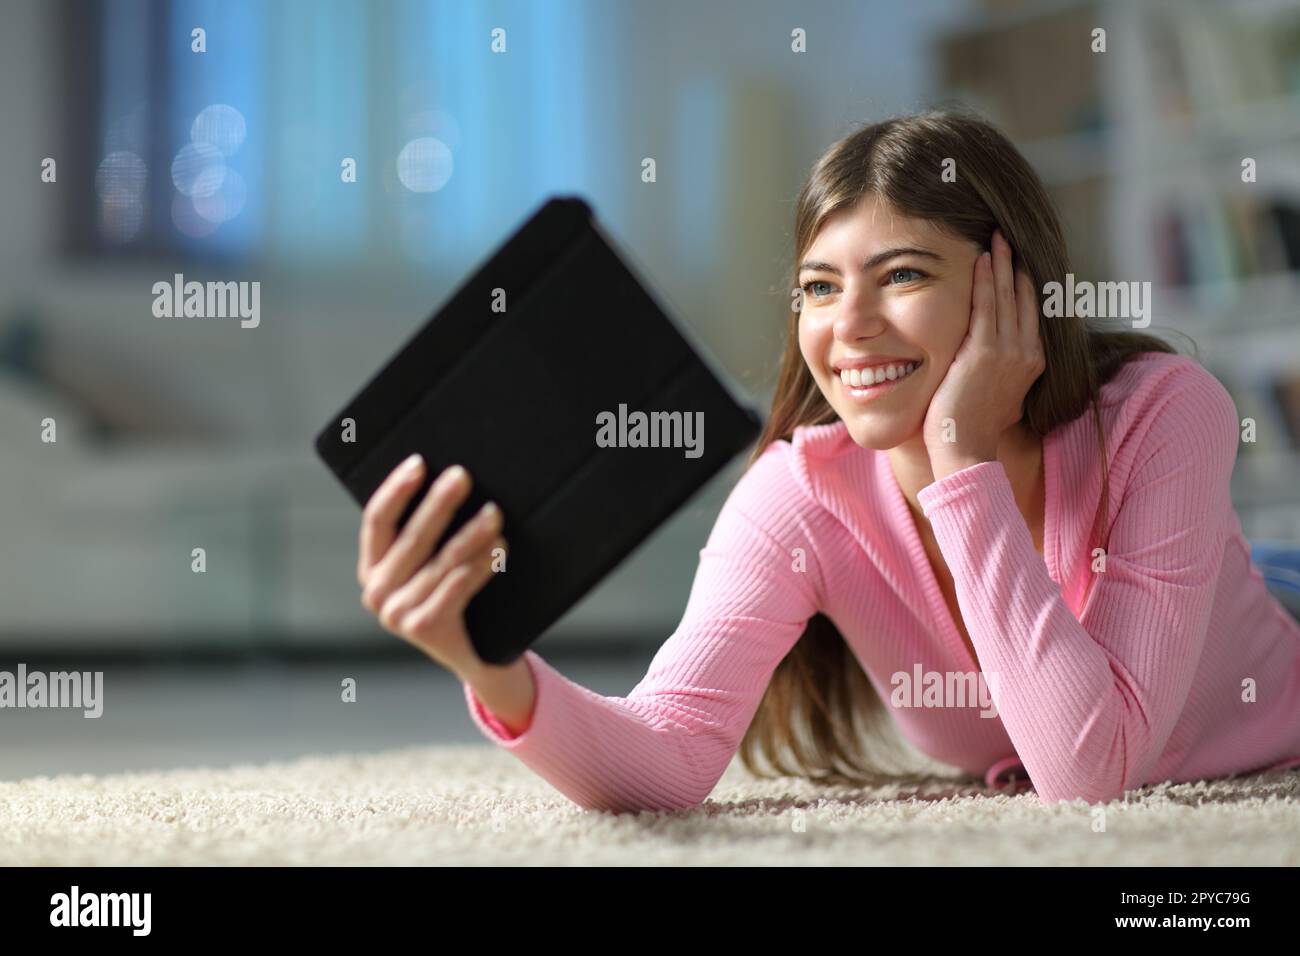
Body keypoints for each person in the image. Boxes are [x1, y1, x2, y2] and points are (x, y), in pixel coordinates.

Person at [355, 109, 1300, 812]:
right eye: (818, 286)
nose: (848, 329)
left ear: (1012, 289)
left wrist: (959, 457)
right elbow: (673, 751)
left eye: (903, 275)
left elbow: (1093, 773)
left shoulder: (1161, 413)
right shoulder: (802, 491)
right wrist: (491, 668)